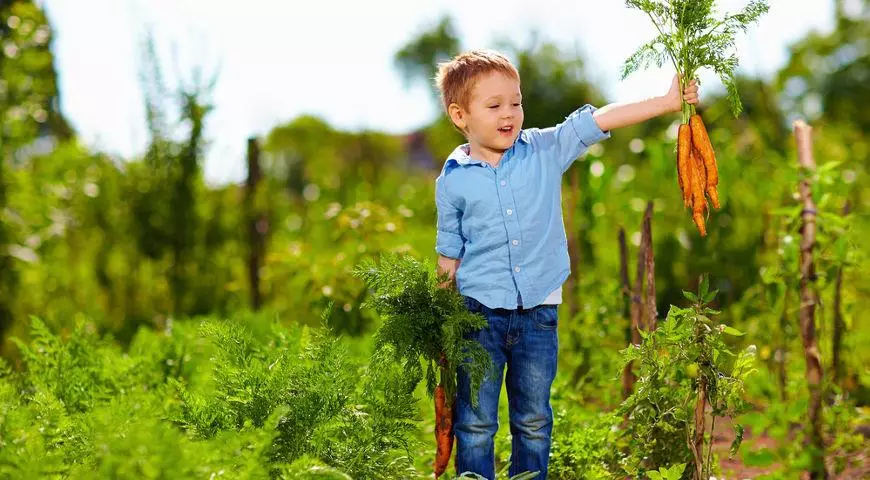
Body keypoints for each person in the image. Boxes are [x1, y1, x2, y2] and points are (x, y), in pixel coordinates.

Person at [432, 49, 699, 479]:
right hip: (476, 315)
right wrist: (440, 318)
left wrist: (667, 103)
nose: (510, 114)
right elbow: (449, 252)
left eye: (516, 102)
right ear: (460, 115)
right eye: (494, 105)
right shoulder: (452, 180)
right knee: (475, 423)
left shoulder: (543, 149)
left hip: (539, 312)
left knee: (534, 420)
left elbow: (598, 120)